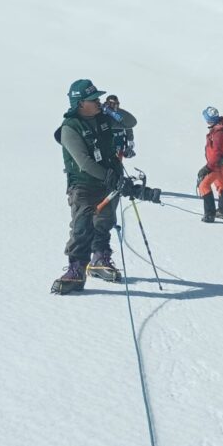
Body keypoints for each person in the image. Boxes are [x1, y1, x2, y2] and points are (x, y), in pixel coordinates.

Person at [52, 78, 138, 295]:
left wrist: (113, 112)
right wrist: (110, 178)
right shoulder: (69, 128)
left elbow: (130, 122)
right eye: (93, 99)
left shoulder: (103, 117)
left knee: (105, 222)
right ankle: (76, 269)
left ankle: (100, 260)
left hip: (109, 181)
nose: (98, 101)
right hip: (84, 184)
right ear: (81, 103)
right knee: (82, 226)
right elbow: (84, 162)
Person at [196, 106, 223, 222]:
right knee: (221, 185)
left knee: (203, 186)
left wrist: (207, 168)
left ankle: (209, 214)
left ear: (209, 120)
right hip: (221, 164)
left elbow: (216, 154)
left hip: (217, 165)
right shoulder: (219, 128)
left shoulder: (218, 133)